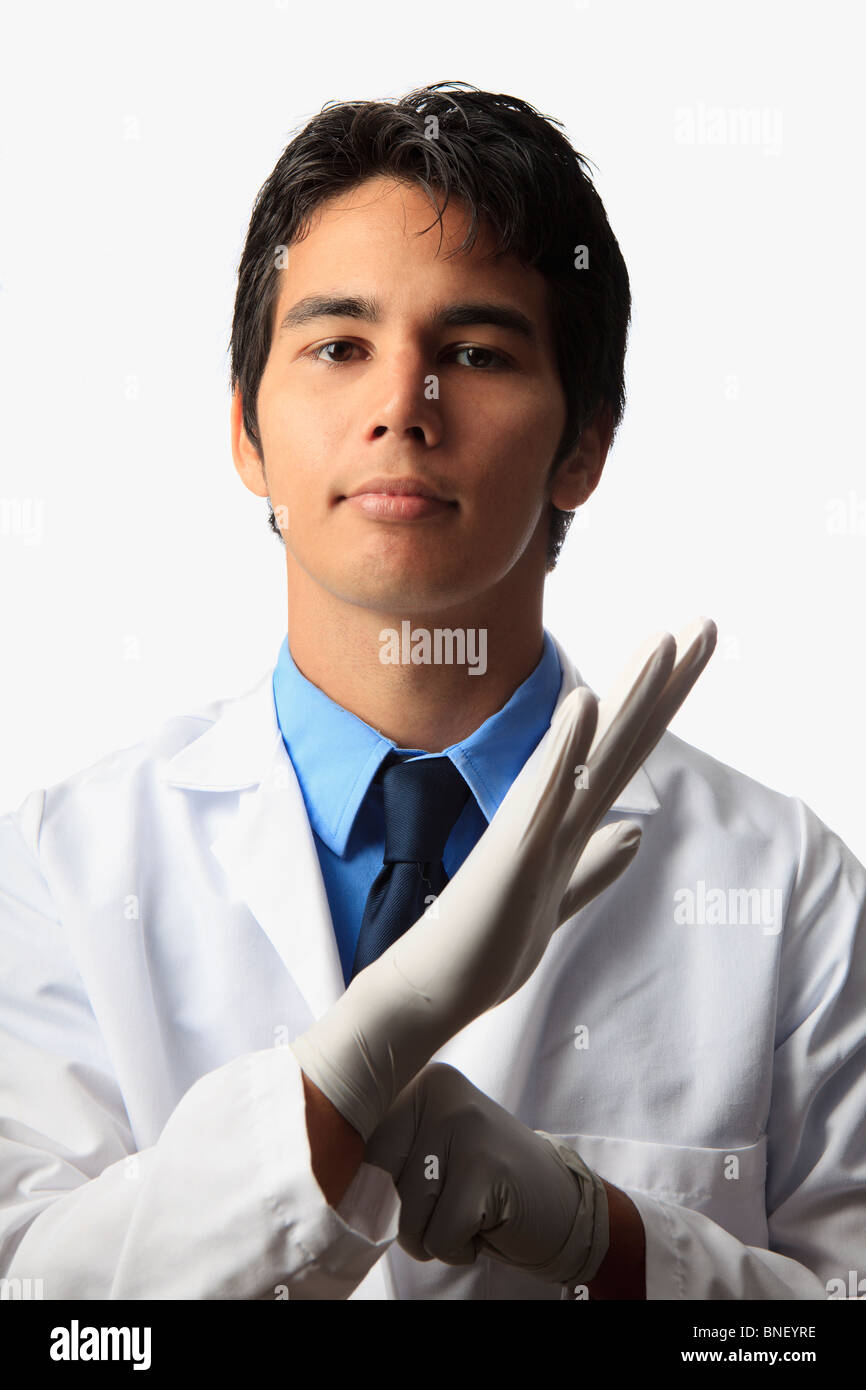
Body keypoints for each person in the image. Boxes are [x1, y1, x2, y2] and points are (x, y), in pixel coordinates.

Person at [1, 82, 864, 1302]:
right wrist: (342, 1079)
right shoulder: (54, 872)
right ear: (246, 429)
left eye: (472, 351)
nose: (399, 408)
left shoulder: (784, 890)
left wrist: (602, 1239)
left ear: (584, 446)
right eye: (337, 345)